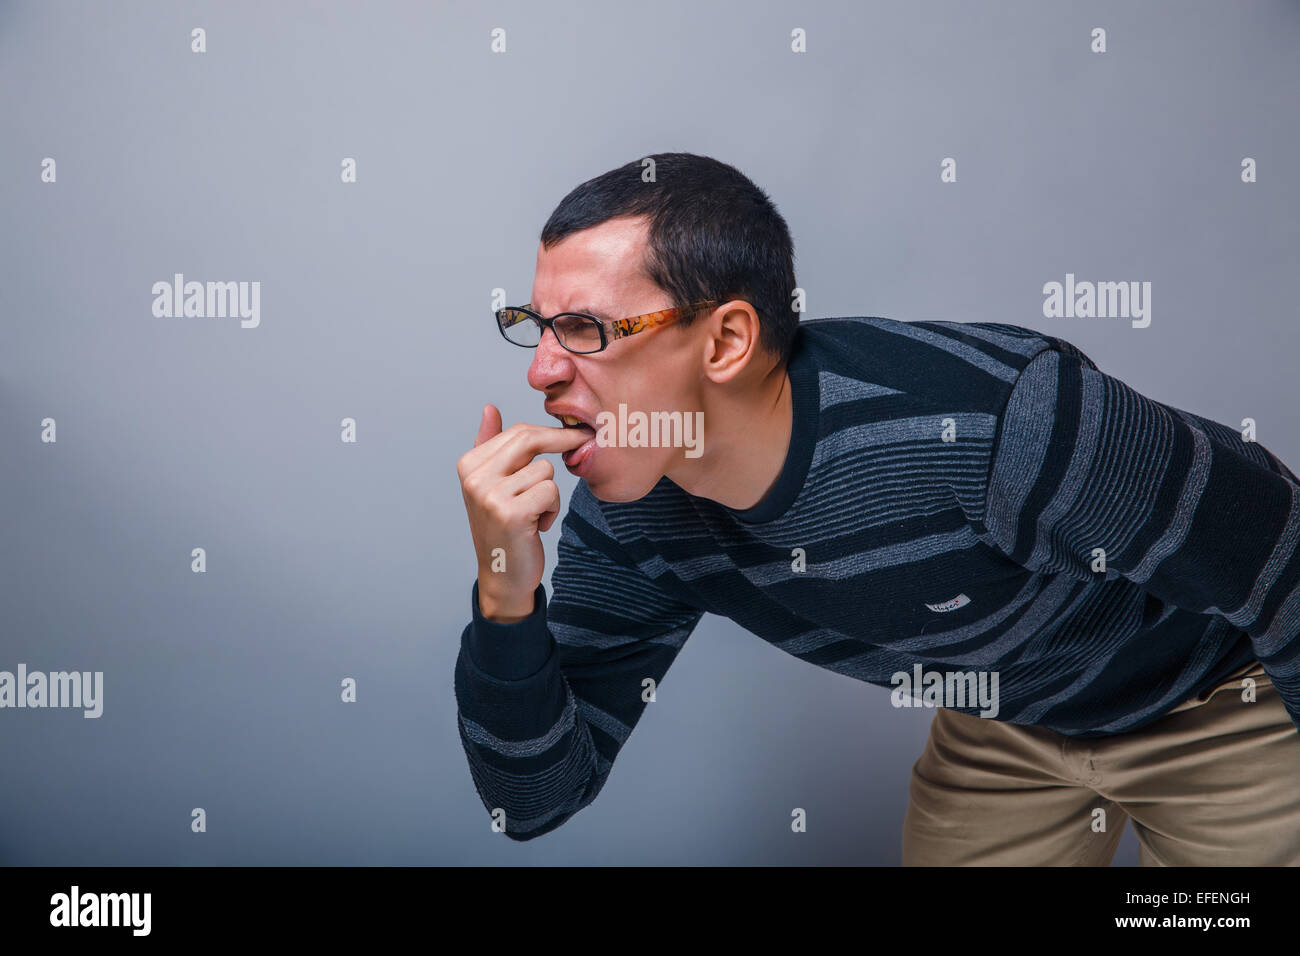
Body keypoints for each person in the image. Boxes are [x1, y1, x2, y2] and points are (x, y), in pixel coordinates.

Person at [453, 152, 1300, 863]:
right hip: (1007, 719)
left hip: (1214, 698)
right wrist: (504, 591)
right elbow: (531, 802)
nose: (542, 374)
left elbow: (1284, 554)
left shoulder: (1000, 422)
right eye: (536, 327)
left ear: (726, 341)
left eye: (587, 330)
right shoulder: (632, 508)